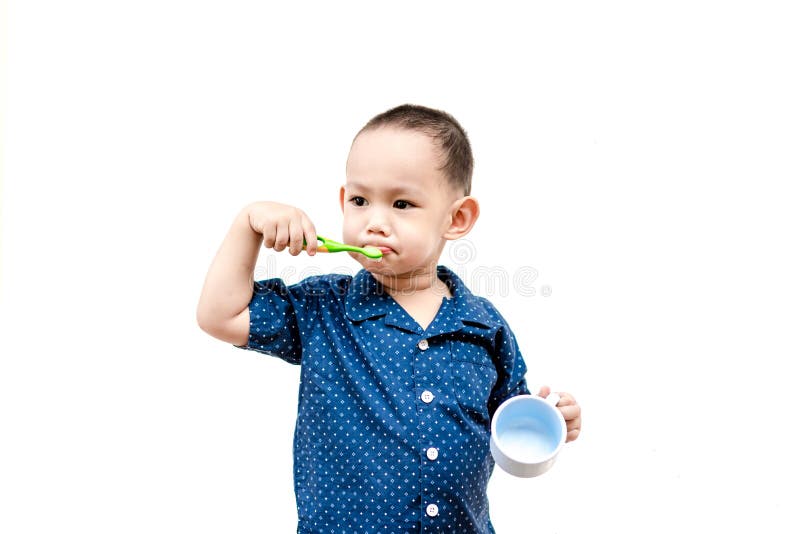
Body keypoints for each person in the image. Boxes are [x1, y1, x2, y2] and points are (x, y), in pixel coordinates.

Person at [197, 104, 582, 533]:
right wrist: (247, 226)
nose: (375, 222)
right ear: (344, 201)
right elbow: (220, 315)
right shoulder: (322, 309)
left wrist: (552, 418)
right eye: (360, 201)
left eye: (402, 203)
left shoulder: (483, 324)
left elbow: (513, 424)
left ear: (457, 219)